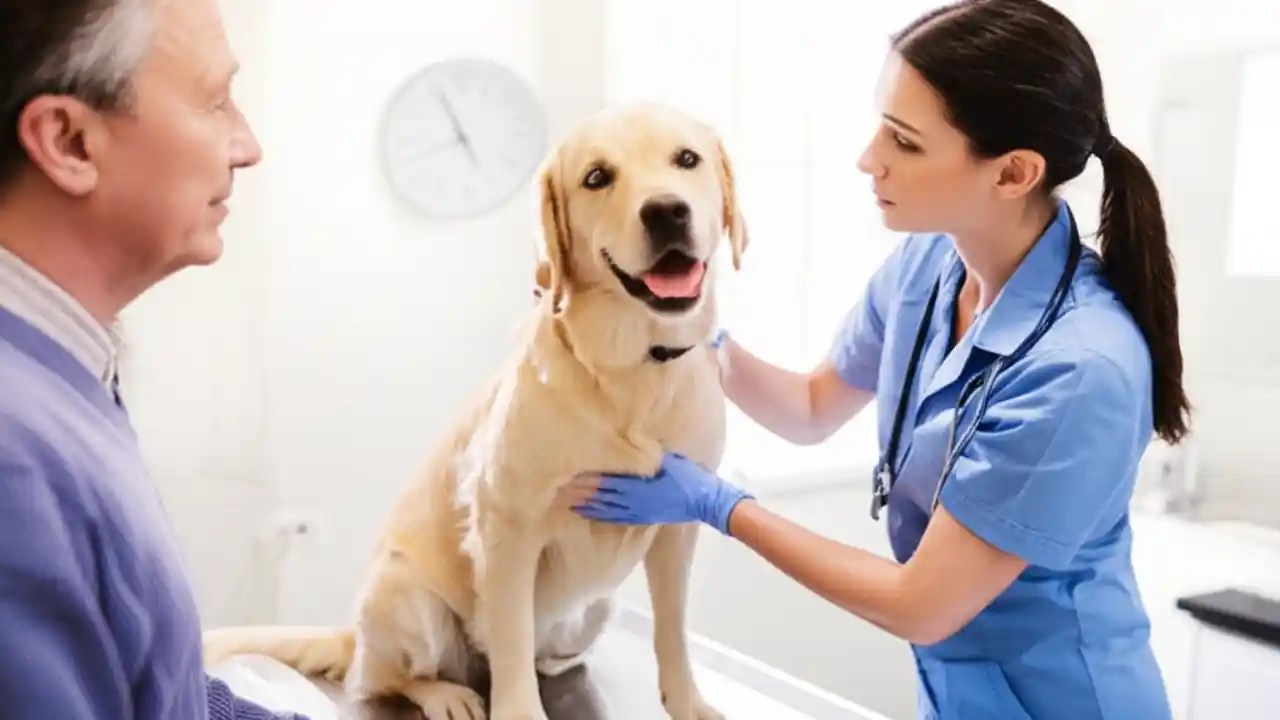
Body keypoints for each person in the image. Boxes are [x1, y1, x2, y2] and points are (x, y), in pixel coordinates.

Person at [565, 1, 1186, 718]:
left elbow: (921, 605)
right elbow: (811, 409)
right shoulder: (930, 264)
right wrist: (694, 343)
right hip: (958, 693)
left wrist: (717, 503)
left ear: (1013, 173)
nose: (869, 158)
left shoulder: (1080, 370)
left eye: (904, 141)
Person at [0, 1, 308, 718]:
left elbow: (162, 692)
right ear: (69, 141)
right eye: (215, 100)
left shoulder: (64, 374)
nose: (247, 146)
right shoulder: (14, 466)